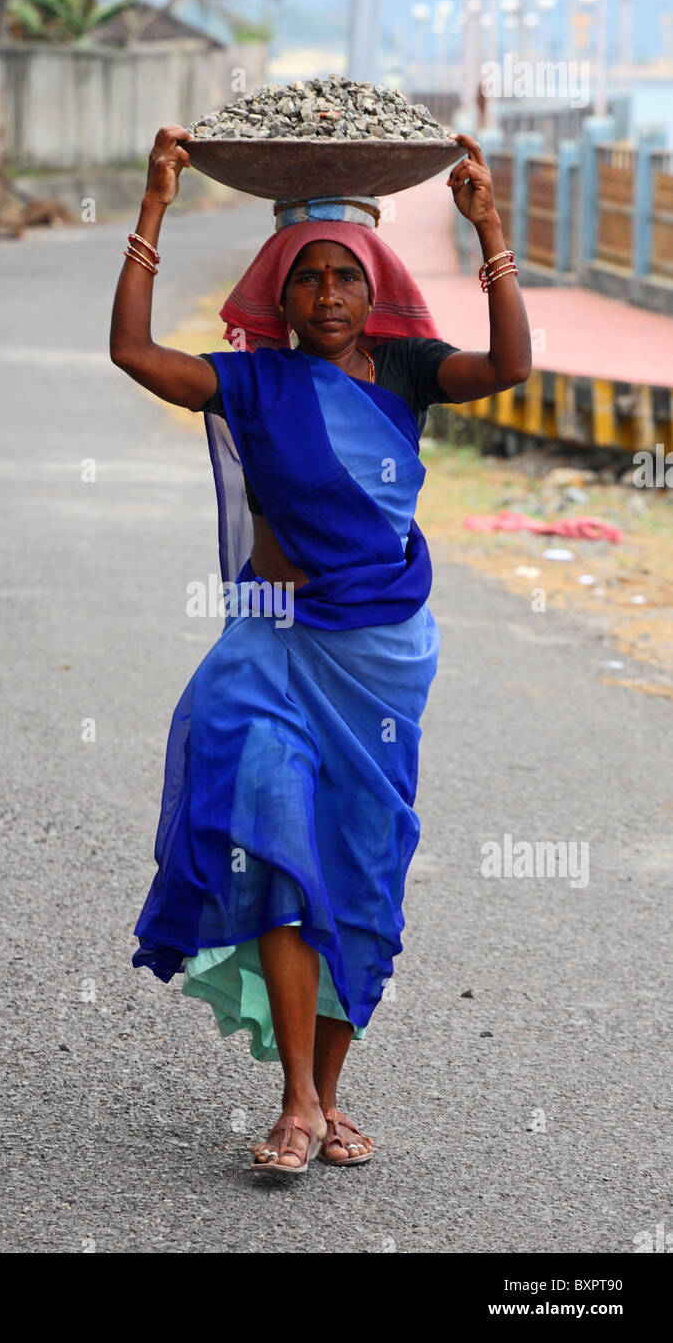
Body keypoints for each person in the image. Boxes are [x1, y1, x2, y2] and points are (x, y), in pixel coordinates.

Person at [110, 125, 531, 1174]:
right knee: (273, 832)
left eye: (348, 275)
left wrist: (489, 230)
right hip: (269, 655)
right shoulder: (248, 383)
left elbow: (512, 364)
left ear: (373, 284)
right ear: (279, 296)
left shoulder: (407, 371)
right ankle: (295, 1100)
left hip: (380, 660)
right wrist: (153, 205)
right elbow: (131, 354)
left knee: (355, 869)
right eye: (310, 280)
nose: (331, 295)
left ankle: (326, 1092)